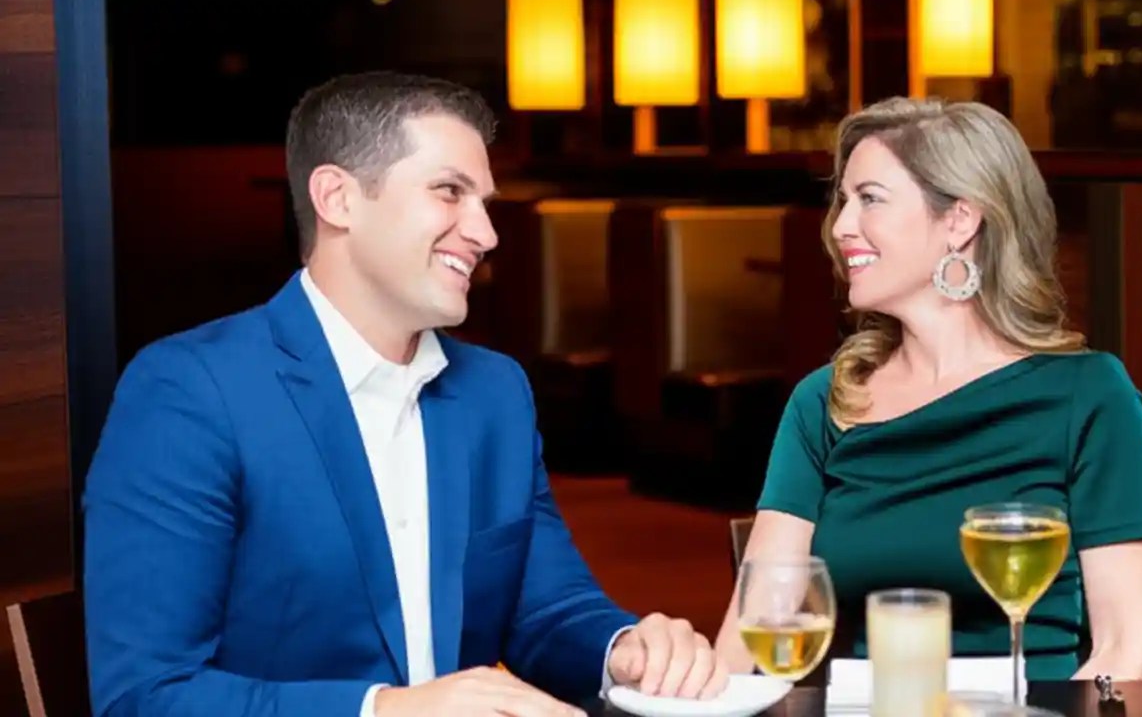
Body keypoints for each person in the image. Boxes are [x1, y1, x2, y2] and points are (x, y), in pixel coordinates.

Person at [83, 72, 728, 717]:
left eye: (484, 202)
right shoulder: (188, 393)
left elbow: (546, 609)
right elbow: (145, 695)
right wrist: (388, 710)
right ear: (337, 198)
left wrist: (623, 650)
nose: (486, 233)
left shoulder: (495, 393)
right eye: (450, 192)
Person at [713, 97, 1142, 682]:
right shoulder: (825, 402)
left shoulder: (1089, 395)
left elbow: (1124, 654)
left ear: (959, 220)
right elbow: (752, 631)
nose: (841, 226)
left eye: (870, 198)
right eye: (843, 201)